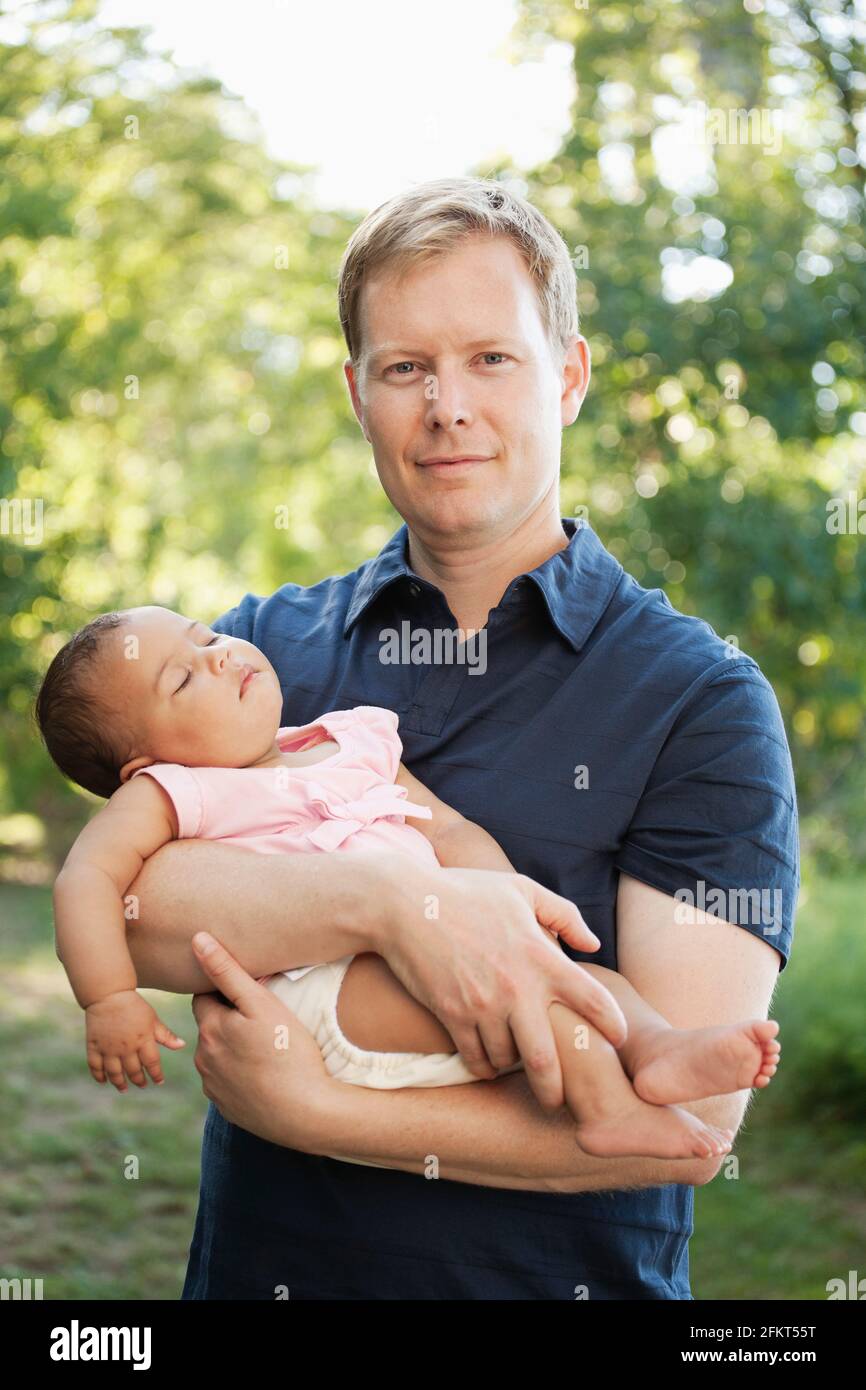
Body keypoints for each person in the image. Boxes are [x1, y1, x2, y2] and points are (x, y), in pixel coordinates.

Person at [102, 177, 798, 1299]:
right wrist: (391, 903)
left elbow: (689, 1115)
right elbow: (133, 909)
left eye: (490, 358)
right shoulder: (257, 658)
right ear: (357, 393)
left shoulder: (698, 701)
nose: (446, 406)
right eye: (404, 367)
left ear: (567, 376)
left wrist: (318, 1113)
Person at [38, 606, 780, 1163]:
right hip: (330, 989)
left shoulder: (349, 739)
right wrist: (108, 999)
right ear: (141, 760)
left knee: (580, 982)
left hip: (433, 958)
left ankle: (654, 1048)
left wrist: (508, 906)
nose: (222, 655)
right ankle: (605, 1110)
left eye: (206, 637)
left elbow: (449, 832)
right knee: (541, 1005)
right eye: (183, 676)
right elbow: (91, 879)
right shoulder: (175, 790)